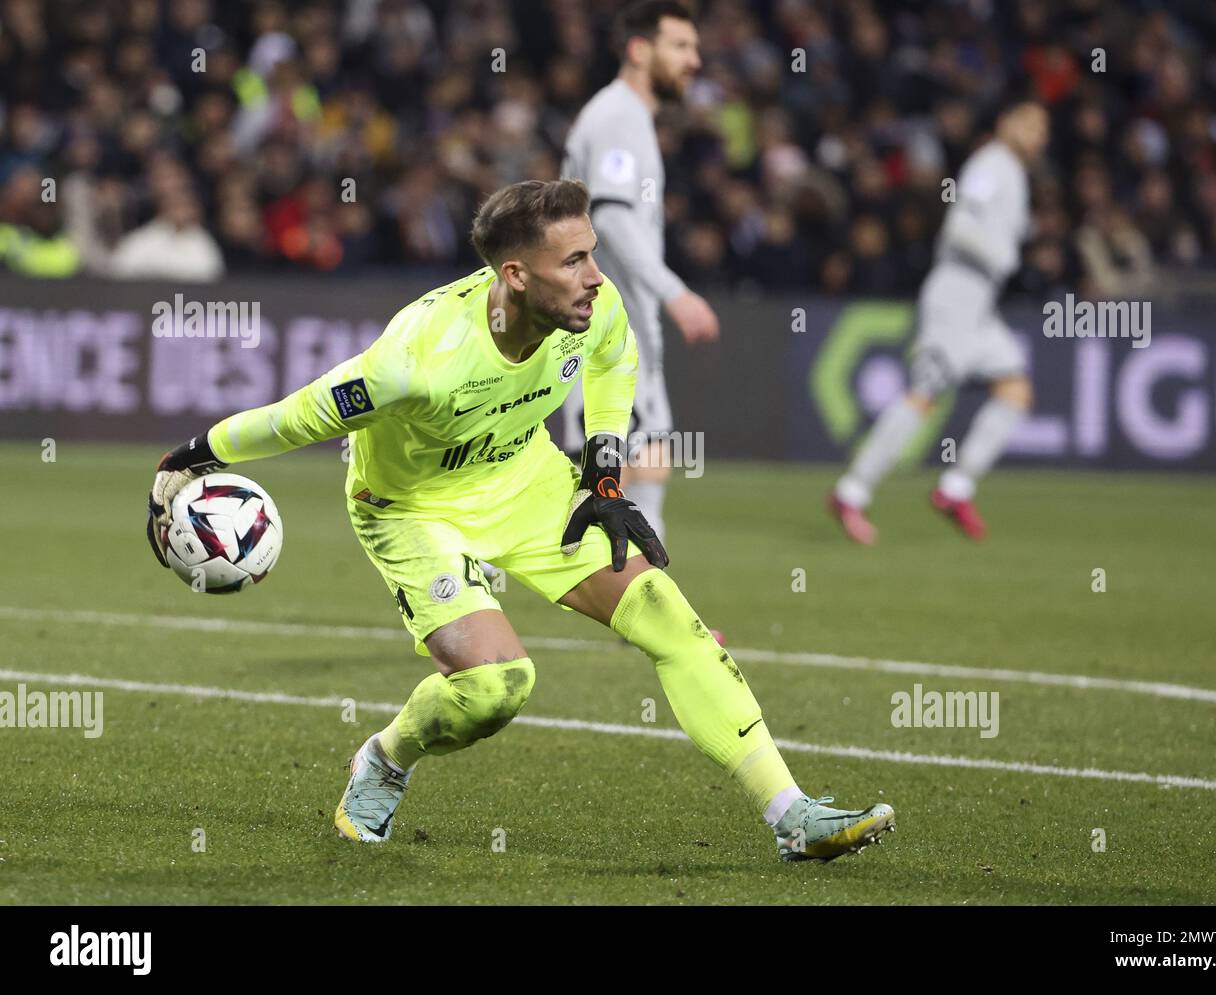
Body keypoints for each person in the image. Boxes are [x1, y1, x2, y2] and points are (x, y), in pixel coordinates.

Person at [145, 178, 895, 862]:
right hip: (412, 510)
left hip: (526, 480)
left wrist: (603, 474)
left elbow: (613, 362)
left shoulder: (589, 302)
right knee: (498, 687)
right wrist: (189, 457)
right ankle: (385, 757)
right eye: (573, 261)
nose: (595, 276)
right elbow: (295, 416)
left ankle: (792, 815)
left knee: (669, 615)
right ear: (515, 275)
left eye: (593, 255)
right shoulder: (416, 358)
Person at [829, 102, 1050, 543]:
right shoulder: (992, 164)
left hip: (979, 305)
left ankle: (956, 488)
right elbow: (958, 227)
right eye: (1027, 123)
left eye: (1042, 128)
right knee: (924, 397)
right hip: (956, 296)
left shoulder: (1013, 173)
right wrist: (1002, 255)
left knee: (1015, 390)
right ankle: (851, 491)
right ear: (1005, 123)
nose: (1036, 135)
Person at [560, 0, 720, 546]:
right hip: (600, 332)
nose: (693, 60)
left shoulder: (628, 118)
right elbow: (611, 215)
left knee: (647, 462)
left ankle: (649, 607)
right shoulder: (618, 116)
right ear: (639, 49)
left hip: (619, 329)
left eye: (694, 47)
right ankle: (471, 567)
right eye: (680, 46)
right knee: (605, 479)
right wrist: (677, 294)